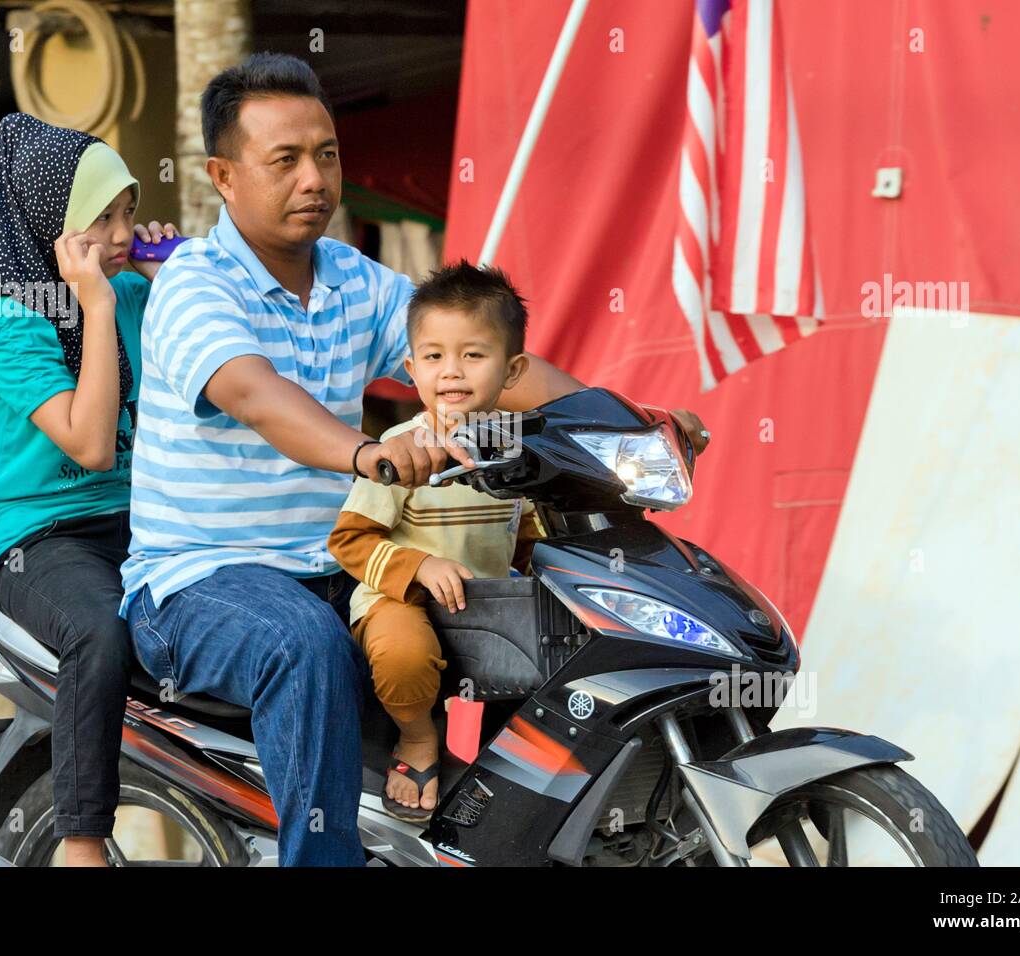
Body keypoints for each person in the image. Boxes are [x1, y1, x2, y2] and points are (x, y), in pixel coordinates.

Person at [121, 53, 709, 866]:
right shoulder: (196, 284)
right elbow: (254, 394)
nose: (314, 179)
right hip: (200, 581)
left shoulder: (351, 280)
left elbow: (481, 360)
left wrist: (622, 428)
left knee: (525, 617)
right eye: (283, 161)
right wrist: (371, 454)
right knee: (303, 641)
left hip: (337, 567)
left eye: (325, 154)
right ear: (222, 175)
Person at [0, 113, 177, 867]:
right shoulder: (2, 322)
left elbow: (209, 402)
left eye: (128, 212)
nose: (123, 232)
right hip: (35, 538)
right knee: (100, 628)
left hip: (135, 519)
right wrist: (97, 304)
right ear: (46, 222)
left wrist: (176, 286)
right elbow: (90, 445)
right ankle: (81, 839)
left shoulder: (130, 294)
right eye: (102, 218)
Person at [327, 261, 545, 821]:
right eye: (433, 356)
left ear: (513, 368)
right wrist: (420, 565)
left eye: (473, 355)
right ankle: (418, 738)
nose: (451, 372)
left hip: (484, 604)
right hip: (400, 598)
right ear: (410, 368)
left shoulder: (515, 450)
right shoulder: (404, 446)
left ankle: (508, 775)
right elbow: (349, 541)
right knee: (403, 653)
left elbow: (523, 531)